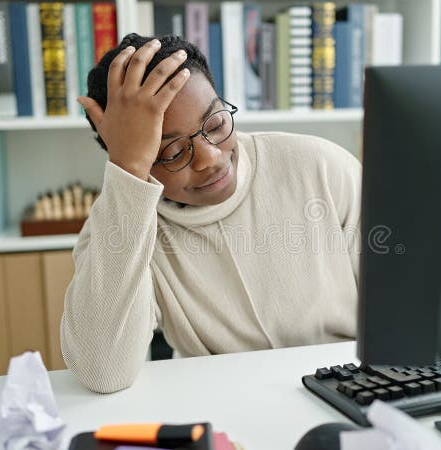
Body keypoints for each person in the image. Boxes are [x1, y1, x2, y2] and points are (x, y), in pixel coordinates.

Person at [63, 34, 362, 393]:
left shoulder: (320, 167)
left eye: (217, 124)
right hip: (224, 403)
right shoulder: (118, 222)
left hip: (352, 387)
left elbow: (406, 313)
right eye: (171, 152)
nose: (211, 158)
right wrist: (127, 173)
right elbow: (102, 372)